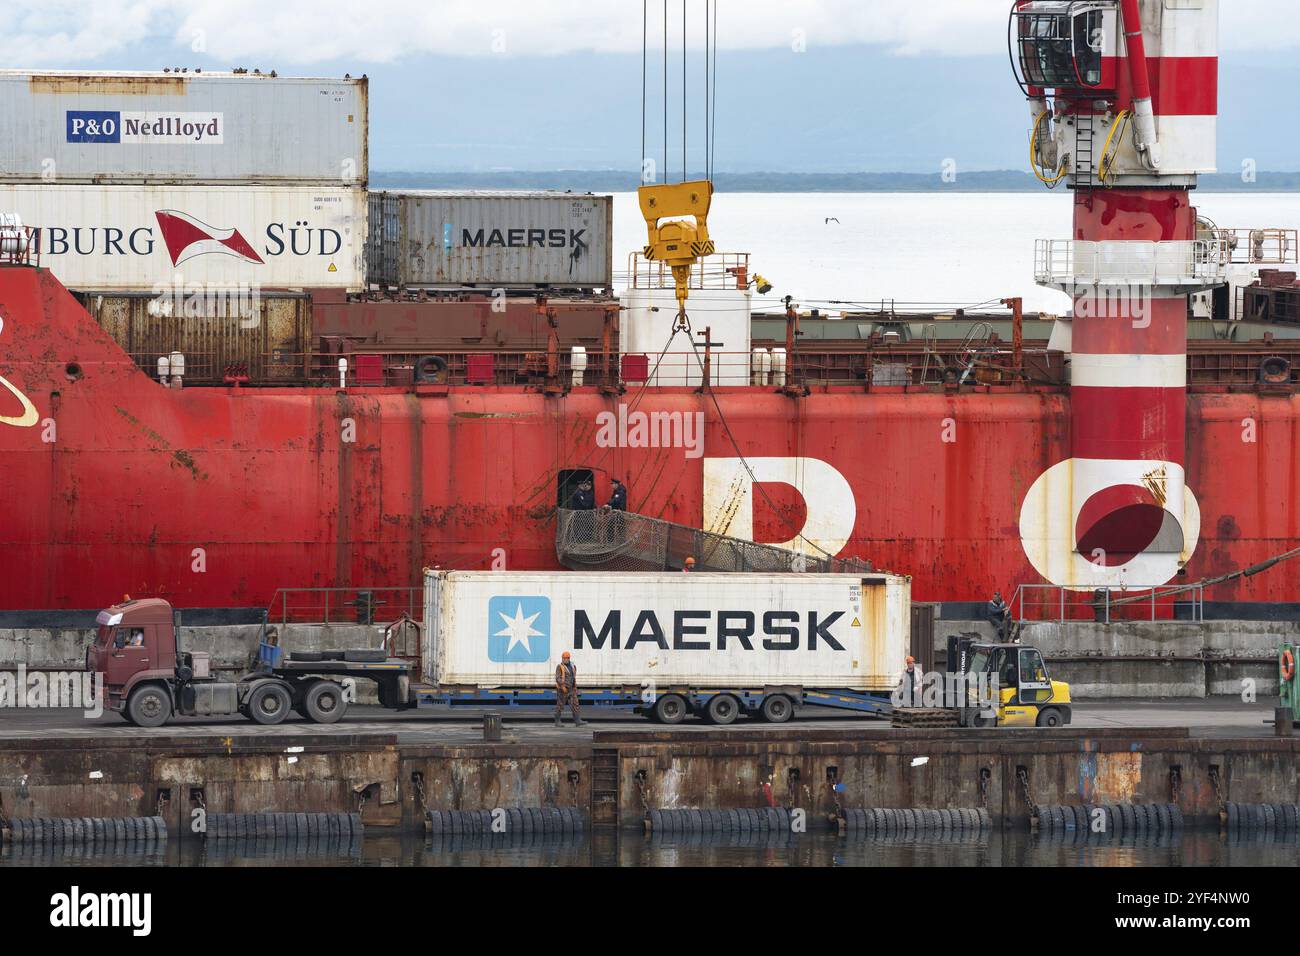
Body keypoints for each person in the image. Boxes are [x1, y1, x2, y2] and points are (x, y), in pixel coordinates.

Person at [554, 651, 584, 727]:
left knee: (575, 704)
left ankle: (577, 721)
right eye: (563, 658)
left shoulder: (572, 666)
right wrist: (562, 686)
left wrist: (574, 687)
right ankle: (557, 722)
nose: (564, 659)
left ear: (569, 658)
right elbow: (558, 678)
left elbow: (573, 676)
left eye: (566, 658)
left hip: (571, 689)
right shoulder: (560, 666)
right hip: (562, 689)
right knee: (560, 705)